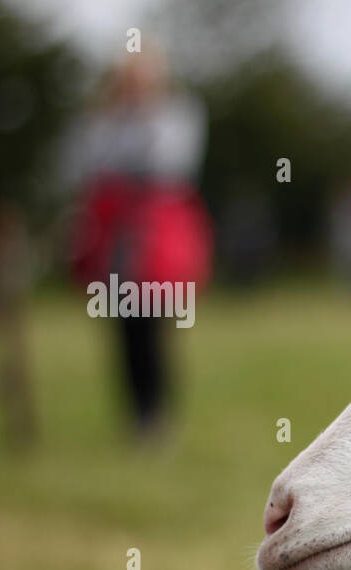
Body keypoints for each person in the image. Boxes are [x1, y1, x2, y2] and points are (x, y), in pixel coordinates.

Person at [66, 47, 211, 439]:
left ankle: (156, 414)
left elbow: (171, 163)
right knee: (123, 324)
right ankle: (135, 414)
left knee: (155, 323)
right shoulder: (102, 120)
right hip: (116, 238)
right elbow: (89, 164)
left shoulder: (176, 115)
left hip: (158, 236)